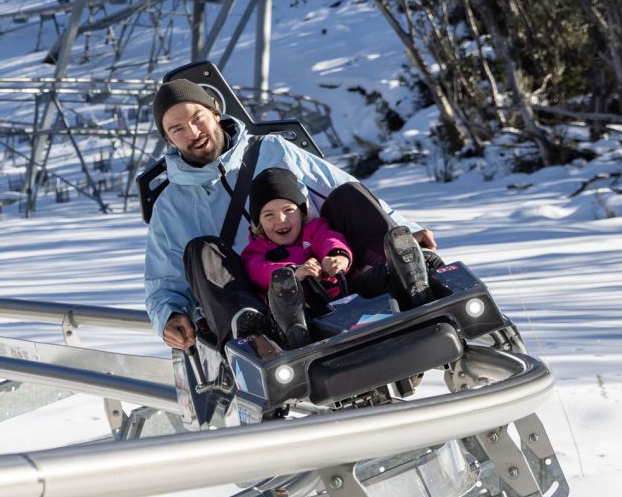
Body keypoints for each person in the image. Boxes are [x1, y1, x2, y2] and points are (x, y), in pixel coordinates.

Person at [143, 76, 438, 356]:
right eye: (177, 129)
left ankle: (400, 271)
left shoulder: (272, 151)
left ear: (215, 111)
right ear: (169, 139)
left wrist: (406, 230)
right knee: (200, 250)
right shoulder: (170, 205)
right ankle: (250, 331)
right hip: (262, 303)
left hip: (330, 274)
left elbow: (339, 189)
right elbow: (162, 281)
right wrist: (168, 315)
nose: (193, 133)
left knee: (348, 193)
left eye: (197, 118)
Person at [237, 165, 428, 346]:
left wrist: (338, 258)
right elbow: (257, 271)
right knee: (287, 303)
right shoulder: (257, 249)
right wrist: (292, 274)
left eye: (288, 210)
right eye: (269, 215)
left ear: (302, 212)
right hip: (303, 309)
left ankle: (411, 282)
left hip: (345, 294)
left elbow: (330, 239)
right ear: (258, 224)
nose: (280, 220)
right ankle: (295, 333)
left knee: (377, 274)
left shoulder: (313, 228)